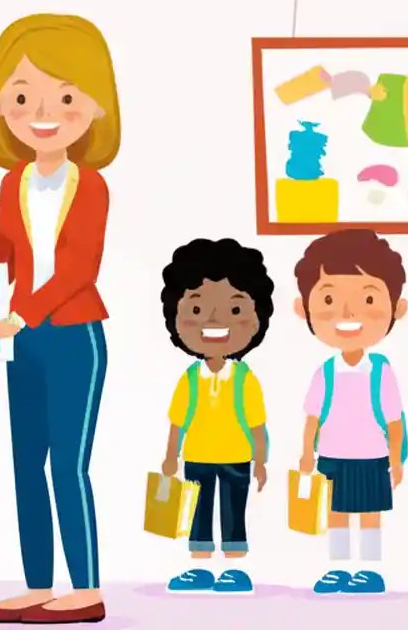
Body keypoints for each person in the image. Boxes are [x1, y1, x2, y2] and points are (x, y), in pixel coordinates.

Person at [0, 14, 119, 625]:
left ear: (96, 109)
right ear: (1, 105)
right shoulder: (12, 182)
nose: (43, 112)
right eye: (23, 96)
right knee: (25, 461)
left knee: (69, 464)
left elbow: (79, 269)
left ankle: (85, 587)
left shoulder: (93, 186)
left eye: (65, 97)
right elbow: (2, 261)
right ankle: (37, 583)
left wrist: (22, 313)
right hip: (20, 340)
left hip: (74, 336)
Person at [295, 229, 408, 595]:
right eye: (328, 298)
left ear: (397, 308)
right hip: (332, 455)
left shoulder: (381, 371)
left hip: (373, 457)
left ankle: (369, 571)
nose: (346, 314)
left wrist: (396, 460)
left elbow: (393, 420)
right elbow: (313, 417)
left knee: (370, 516)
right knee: (337, 514)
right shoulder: (325, 372)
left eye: (368, 298)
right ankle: (339, 569)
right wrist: (307, 454)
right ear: (304, 309)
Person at [158, 239, 273, 595]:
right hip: (197, 457)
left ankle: (235, 569)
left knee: (234, 511)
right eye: (195, 310)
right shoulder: (190, 379)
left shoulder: (244, 378)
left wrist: (261, 460)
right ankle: (200, 568)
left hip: (237, 457)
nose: (213, 321)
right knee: (199, 512)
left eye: (235, 311)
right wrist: (170, 456)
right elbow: (179, 420)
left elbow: (257, 423)